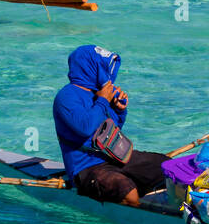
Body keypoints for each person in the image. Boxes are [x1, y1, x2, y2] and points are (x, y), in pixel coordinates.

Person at [52, 45, 169, 206]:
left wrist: (119, 109)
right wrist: (103, 101)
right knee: (128, 193)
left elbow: (113, 130)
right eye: (102, 68)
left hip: (115, 157)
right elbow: (85, 128)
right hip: (86, 169)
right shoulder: (66, 97)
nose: (106, 74)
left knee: (167, 166)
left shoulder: (98, 92)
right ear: (91, 67)